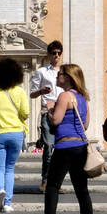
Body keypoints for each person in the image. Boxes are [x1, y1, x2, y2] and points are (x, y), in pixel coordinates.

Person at [36, 63, 94, 214]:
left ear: (68, 77)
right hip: (80, 146)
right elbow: (85, 125)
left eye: (60, 74)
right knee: (82, 191)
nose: (57, 76)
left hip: (64, 147)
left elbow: (55, 121)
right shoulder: (83, 98)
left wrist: (51, 107)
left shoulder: (64, 96)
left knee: (52, 185)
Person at [0, 58, 31, 212]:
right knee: (10, 168)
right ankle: (8, 204)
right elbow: (26, 112)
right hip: (17, 133)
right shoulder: (20, 92)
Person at [29, 41, 64, 191]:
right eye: (54, 53)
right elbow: (32, 93)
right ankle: (45, 180)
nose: (56, 55)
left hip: (64, 112)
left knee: (62, 150)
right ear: (49, 54)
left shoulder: (65, 72)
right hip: (47, 112)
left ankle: (57, 182)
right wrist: (41, 91)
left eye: (59, 53)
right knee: (49, 147)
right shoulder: (41, 72)